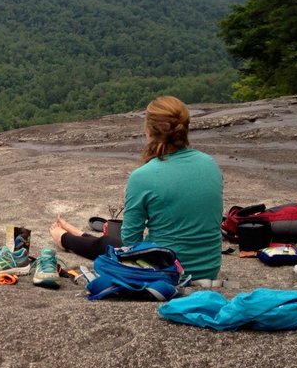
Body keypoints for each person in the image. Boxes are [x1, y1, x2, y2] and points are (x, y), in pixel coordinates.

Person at [49, 95, 224, 281]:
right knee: (110, 241)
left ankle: (65, 239)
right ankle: (76, 234)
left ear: (149, 131)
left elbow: (129, 244)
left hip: (167, 271)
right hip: (209, 269)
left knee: (110, 245)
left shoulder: (143, 176)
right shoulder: (210, 164)